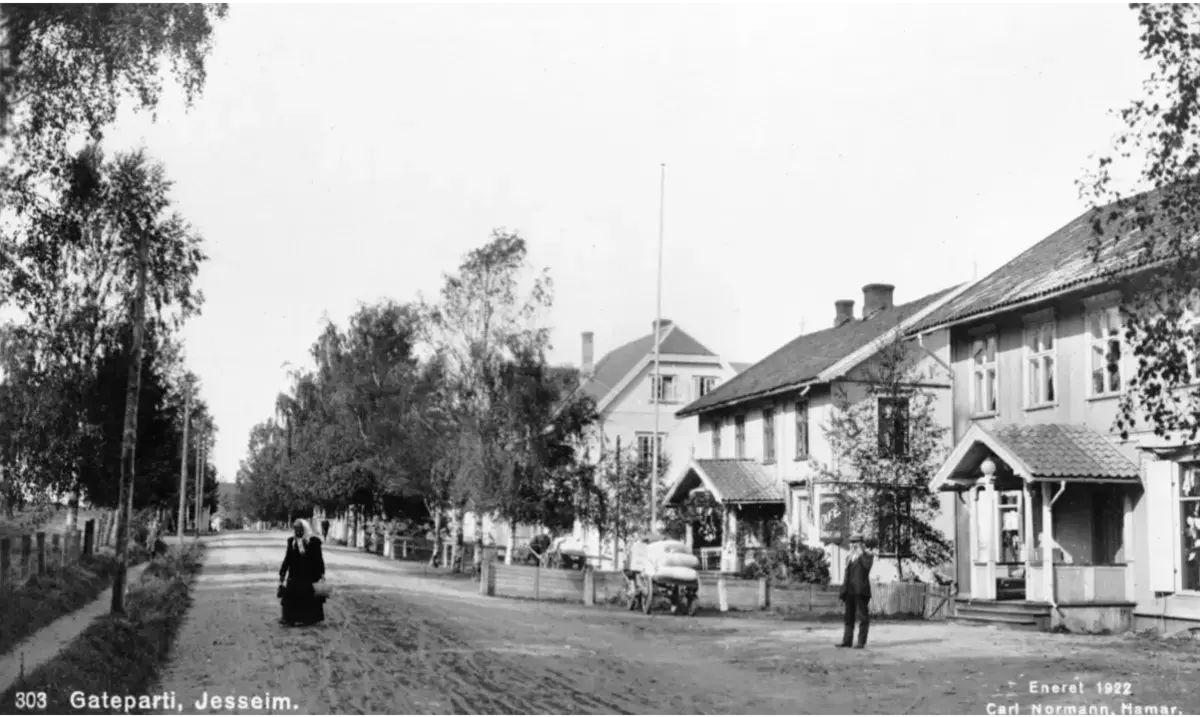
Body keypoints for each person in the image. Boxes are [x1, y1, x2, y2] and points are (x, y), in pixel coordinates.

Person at [279, 519, 326, 626]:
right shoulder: (292, 541)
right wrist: (282, 572)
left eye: (299, 529)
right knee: (290, 597)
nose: (297, 532)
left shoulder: (314, 542)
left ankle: (309, 619)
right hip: (294, 575)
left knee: (308, 598)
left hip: (310, 575)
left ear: (305, 529)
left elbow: (319, 559)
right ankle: (288, 618)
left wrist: (322, 573)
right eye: (295, 529)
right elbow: (288, 558)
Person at [837, 534, 874, 649]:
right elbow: (846, 575)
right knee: (848, 618)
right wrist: (843, 590)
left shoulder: (867, 556)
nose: (853, 545)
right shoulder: (849, 557)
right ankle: (847, 641)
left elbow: (867, 567)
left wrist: (861, 553)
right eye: (851, 543)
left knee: (863, 617)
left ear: (861, 544)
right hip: (849, 591)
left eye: (855, 543)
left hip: (860, 591)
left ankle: (861, 642)